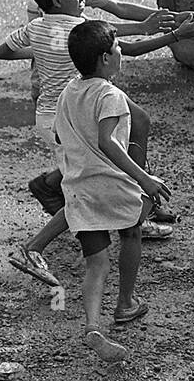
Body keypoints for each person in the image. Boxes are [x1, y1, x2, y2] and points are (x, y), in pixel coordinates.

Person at [0, 0, 194, 286]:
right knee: (90, 187)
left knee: (135, 125)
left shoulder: (37, 27)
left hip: (61, 111)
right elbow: (129, 47)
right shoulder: (79, 26)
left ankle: (127, 201)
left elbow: (2, 52)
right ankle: (34, 246)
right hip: (75, 113)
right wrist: (176, 35)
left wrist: (39, 52)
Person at [19, 0, 192, 225]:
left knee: (134, 124)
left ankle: (139, 201)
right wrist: (150, 28)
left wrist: (168, 16)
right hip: (64, 89)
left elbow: (117, 7)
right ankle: (129, 212)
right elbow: (88, 30)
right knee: (92, 153)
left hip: (90, 77)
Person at [57, 21, 174, 362]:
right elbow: (107, 142)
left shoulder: (69, 91)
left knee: (96, 263)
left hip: (80, 187)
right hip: (114, 184)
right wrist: (145, 179)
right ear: (106, 58)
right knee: (132, 232)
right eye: (119, 48)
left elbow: (60, 135)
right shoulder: (111, 96)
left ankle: (93, 325)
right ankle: (125, 303)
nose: (122, 52)